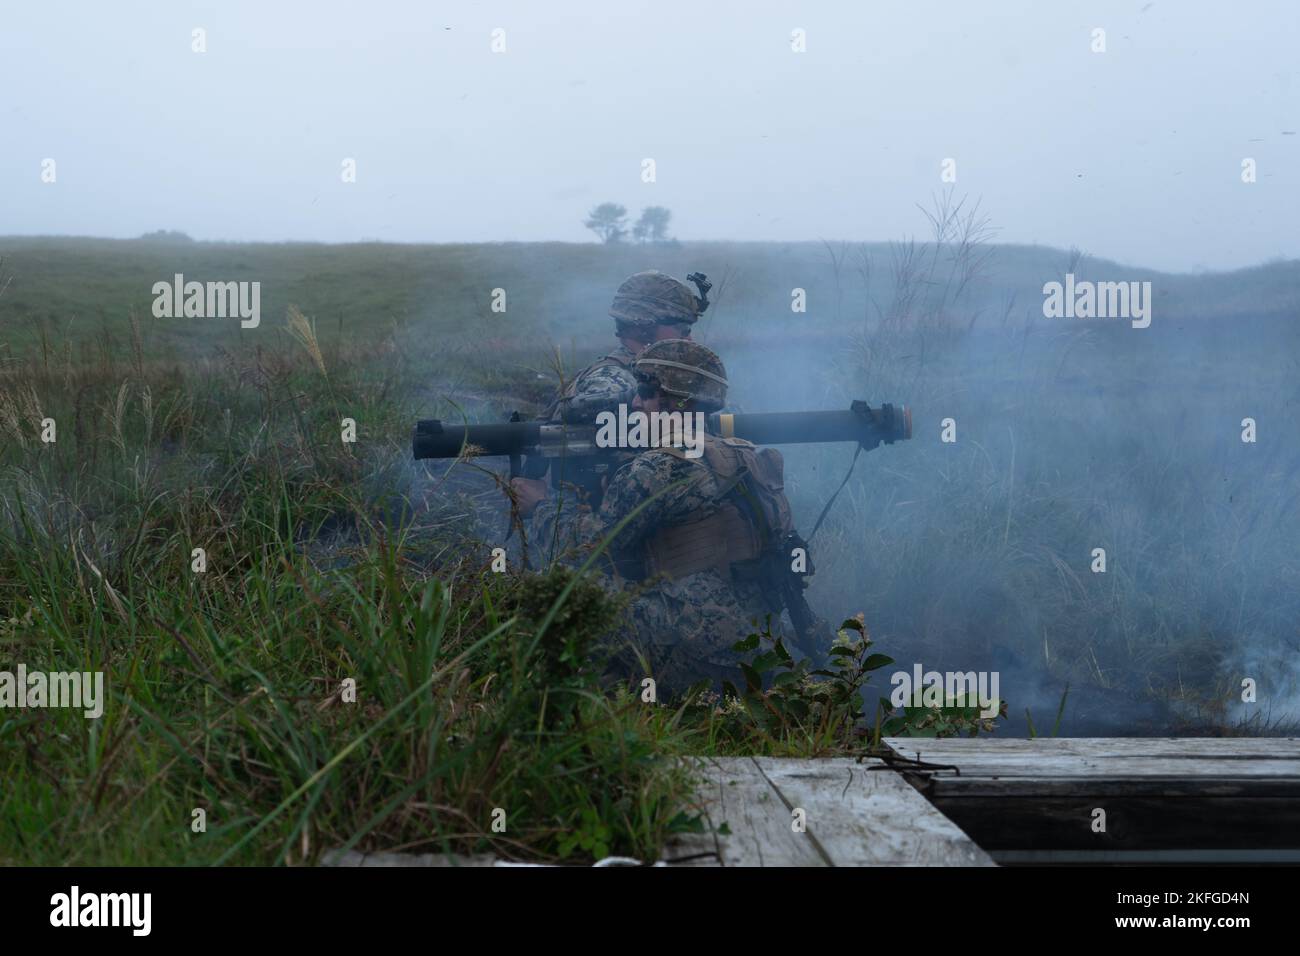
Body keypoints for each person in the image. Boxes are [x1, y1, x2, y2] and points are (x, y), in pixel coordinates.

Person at [512, 339, 819, 696]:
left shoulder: (658, 466)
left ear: (678, 403)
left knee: (561, 589)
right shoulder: (739, 453)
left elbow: (589, 549)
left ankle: (589, 697)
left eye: (646, 393)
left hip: (701, 655)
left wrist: (539, 507)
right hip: (754, 648)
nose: (635, 403)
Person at [542, 270, 710, 424]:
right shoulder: (618, 383)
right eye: (683, 330)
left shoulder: (632, 373)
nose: (689, 339)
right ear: (645, 328)